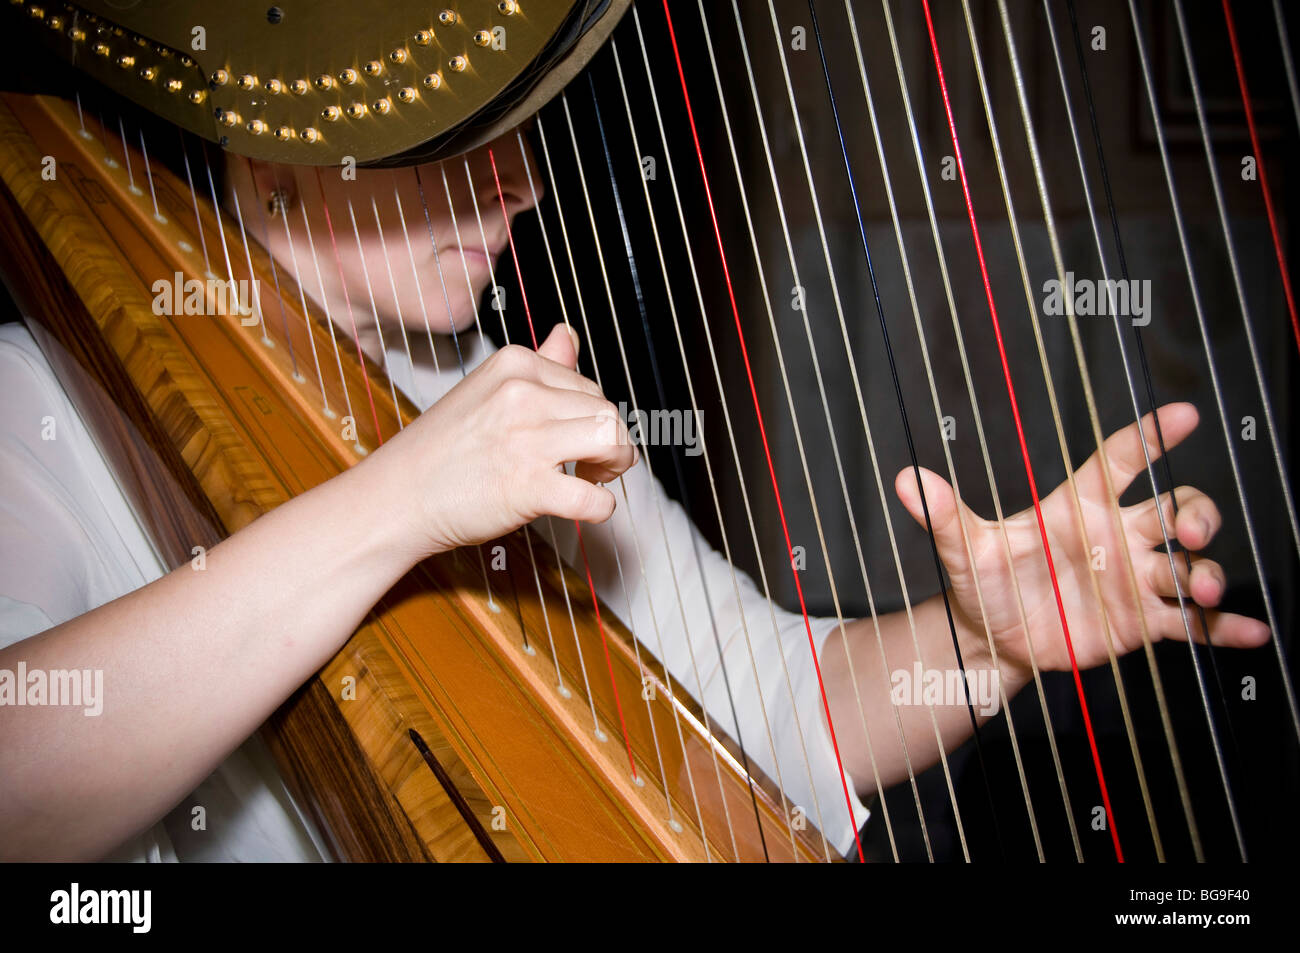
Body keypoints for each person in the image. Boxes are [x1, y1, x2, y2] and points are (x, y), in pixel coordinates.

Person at [0, 126, 1267, 862]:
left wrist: (979, 643)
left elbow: (773, 700)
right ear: (275, 138)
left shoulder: (501, 393)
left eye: (519, 130)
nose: (522, 182)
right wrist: (401, 502)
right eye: (453, 132)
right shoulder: (41, 399)